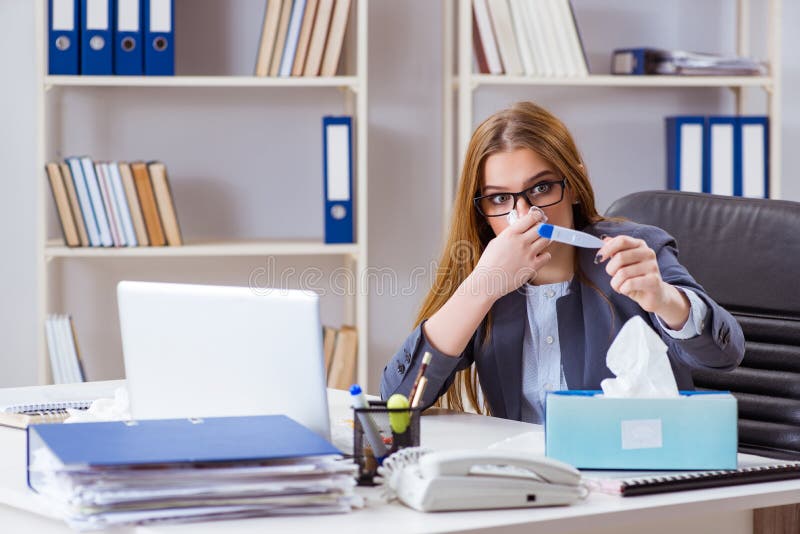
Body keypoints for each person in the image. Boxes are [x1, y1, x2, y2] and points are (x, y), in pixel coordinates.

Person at [380, 101, 744, 423]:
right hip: (524, 470)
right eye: (500, 198)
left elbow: (724, 355)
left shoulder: (635, 250)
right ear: (481, 211)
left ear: (573, 184)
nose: (525, 213)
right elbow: (398, 400)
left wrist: (665, 299)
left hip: (627, 466)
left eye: (541, 188)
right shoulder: (486, 277)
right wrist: (481, 287)